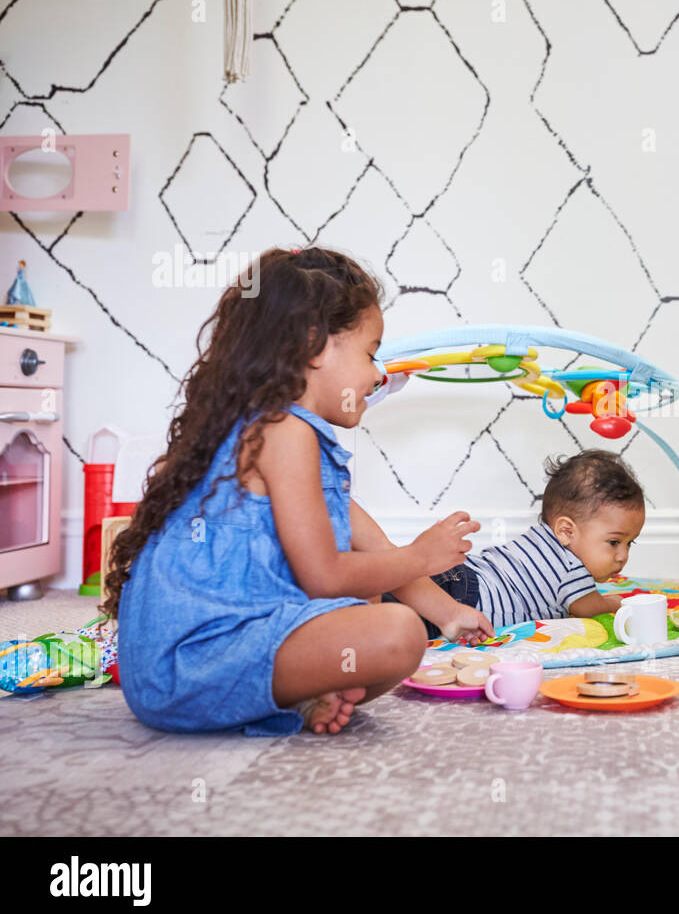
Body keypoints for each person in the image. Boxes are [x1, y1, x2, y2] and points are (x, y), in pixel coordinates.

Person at [106, 247, 494, 737]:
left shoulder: (288, 435)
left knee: (376, 604)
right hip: (192, 665)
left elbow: (372, 546)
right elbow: (324, 577)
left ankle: (303, 698)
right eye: (371, 353)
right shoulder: (283, 431)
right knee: (397, 634)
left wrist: (450, 612)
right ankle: (293, 692)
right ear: (315, 345)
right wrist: (423, 556)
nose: (378, 375)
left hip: (209, 658)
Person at [410, 449, 645, 630]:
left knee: (392, 609)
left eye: (629, 543)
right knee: (405, 624)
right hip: (467, 597)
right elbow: (591, 609)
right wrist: (615, 603)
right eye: (614, 542)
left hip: (458, 575)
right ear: (566, 531)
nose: (623, 556)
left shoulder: (541, 539)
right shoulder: (571, 568)